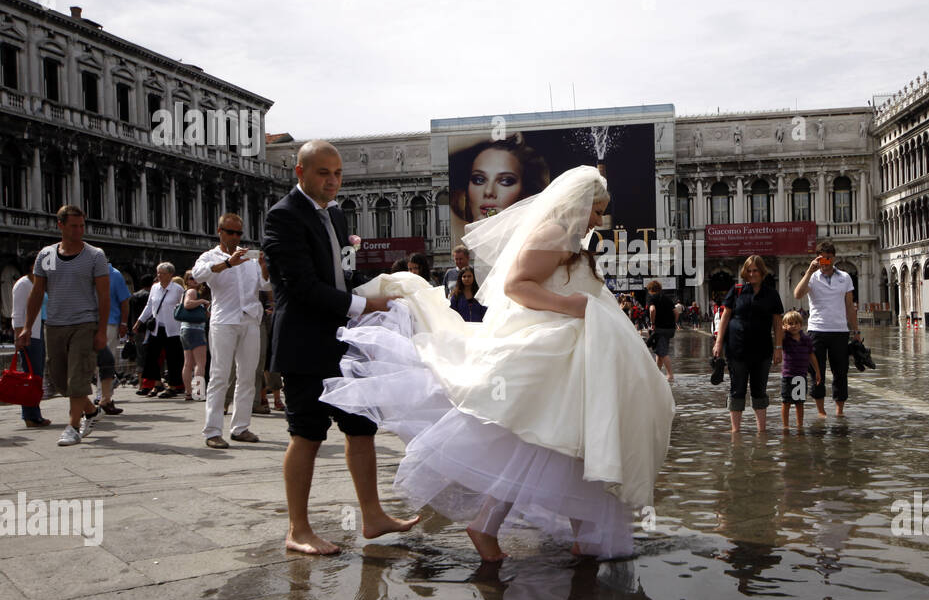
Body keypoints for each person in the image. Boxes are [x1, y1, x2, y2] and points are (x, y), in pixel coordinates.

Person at [320, 165, 673, 562]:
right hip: (557, 347)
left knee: (565, 445)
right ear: (578, 204)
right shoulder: (554, 233)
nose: (598, 218)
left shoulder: (571, 237)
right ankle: (501, 525)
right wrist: (573, 308)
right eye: (595, 209)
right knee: (547, 443)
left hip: (574, 348)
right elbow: (517, 285)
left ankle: (569, 531)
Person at [264, 139, 418, 556]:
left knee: (361, 425)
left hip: (342, 339)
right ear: (300, 172)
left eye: (337, 174)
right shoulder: (283, 217)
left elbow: (338, 276)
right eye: (323, 173)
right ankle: (298, 529)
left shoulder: (334, 214)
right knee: (307, 433)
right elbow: (301, 286)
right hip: (303, 341)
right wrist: (364, 304)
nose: (332, 182)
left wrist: (374, 293)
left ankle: (372, 515)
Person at [16, 205, 110, 446]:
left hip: (84, 323)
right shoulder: (46, 255)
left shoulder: (95, 255)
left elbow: (103, 295)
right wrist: (27, 327)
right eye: (74, 226)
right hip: (54, 324)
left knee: (78, 375)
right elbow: (37, 293)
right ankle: (91, 410)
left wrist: (101, 331)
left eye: (82, 226)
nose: (79, 230)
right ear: (60, 226)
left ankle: (72, 426)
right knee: (59, 379)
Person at [191, 212, 272, 448]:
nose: (235, 237)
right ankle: (213, 430)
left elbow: (265, 285)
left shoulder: (249, 257)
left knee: (248, 376)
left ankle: (241, 427)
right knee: (219, 375)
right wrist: (227, 263)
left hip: (250, 318)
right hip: (224, 319)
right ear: (220, 232)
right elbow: (198, 275)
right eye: (230, 232)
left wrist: (264, 267)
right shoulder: (209, 256)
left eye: (238, 233)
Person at [712, 255, 784, 433]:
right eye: (749, 271)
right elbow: (725, 317)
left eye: (756, 270)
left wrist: (778, 348)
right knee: (737, 388)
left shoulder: (771, 294)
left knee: (759, 389)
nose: (752, 274)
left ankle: (762, 432)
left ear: (762, 272)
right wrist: (718, 343)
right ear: (745, 272)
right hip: (737, 349)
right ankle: (735, 431)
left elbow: (777, 322)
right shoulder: (736, 291)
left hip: (763, 350)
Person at [793, 240, 863, 418]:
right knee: (816, 371)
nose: (825, 262)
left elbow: (849, 306)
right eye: (822, 259)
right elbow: (797, 294)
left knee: (841, 371)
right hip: (817, 330)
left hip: (839, 330)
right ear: (817, 258)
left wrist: (856, 332)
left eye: (828, 258)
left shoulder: (845, 277)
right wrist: (809, 271)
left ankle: (840, 410)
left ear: (834, 258)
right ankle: (821, 410)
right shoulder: (812, 277)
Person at [448, 133, 551, 243]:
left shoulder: (539, 241)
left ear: (526, 194)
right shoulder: (455, 234)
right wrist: (492, 133)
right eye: (479, 179)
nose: (488, 191)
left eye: (506, 181)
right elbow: (433, 153)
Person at [133, 263, 185, 398]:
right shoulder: (155, 288)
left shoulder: (178, 289)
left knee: (173, 358)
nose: (159, 275)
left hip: (173, 329)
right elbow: (149, 306)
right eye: (158, 272)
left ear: (170, 274)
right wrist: (140, 321)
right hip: (156, 328)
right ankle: (157, 384)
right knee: (152, 357)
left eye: (162, 273)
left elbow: (182, 308)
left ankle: (173, 386)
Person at [11, 253, 50, 428]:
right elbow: (17, 312)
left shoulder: (37, 283)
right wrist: (19, 335)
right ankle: (30, 414)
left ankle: (34, 413)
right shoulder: (23, 285)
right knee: (31, 375)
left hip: (38, 330)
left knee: (37, 374)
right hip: (29, 334)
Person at [95, 258, 131, 415]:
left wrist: (123, 323)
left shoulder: (115, 275)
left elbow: (124, 301)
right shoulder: (90, 274)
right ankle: (102, 394)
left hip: (109, 322)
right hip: (90, 321)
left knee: (106, 360)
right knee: (94, 361)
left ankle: (104, 397)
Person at [779, 310, 821, 429]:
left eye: (796, 323)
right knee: (786, 402)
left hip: (801, 375)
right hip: (788, 375)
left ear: (801, 324)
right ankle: (785, 426)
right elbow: (778, 333)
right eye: (790, 323)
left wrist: (817, 371)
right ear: (785, 326)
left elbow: (812, 356)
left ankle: (799, 425)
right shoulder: (785, 338)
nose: (793, 326)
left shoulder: (806, 339)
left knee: (800, 402)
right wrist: (782, 328)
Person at [177, 272, 210, 401]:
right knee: (200, 363)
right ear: (187, 281)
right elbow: (187, 304)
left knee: (188, 363)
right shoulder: (192, 292)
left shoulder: (186, 292)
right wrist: (202, 301)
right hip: (196, 329)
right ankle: (198, 393)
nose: (195, 280)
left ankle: (189, 392)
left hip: (185, 329)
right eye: (191, 278)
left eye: (197, 278)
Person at [646, 279, 676, 382]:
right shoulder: (667, 298)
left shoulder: (652, 298)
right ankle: (657, 374)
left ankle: (670, 375)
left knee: (662, 352)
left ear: (650, 290)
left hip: (660, 328)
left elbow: (652, 309)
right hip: (670, 329)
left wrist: (652, 322)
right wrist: (674, 323)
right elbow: (676, 311)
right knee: (659, 351)